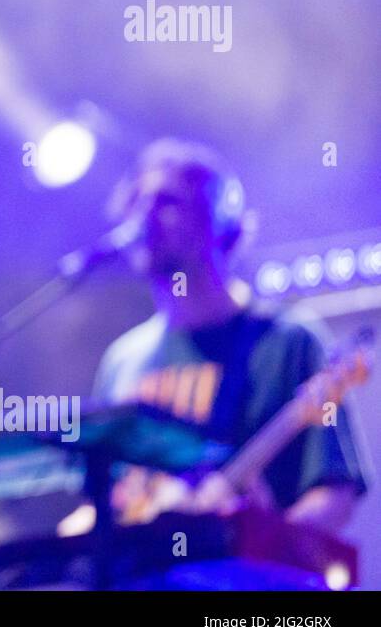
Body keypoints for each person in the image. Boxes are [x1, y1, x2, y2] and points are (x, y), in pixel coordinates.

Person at [90, 139, 373, 586]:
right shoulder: (122, 360)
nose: (145, 216)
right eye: (137, 202)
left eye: (167, 202)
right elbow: (109, 498)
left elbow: (334, 494)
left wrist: (262, 541)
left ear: (219, 223)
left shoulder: (288, 340)